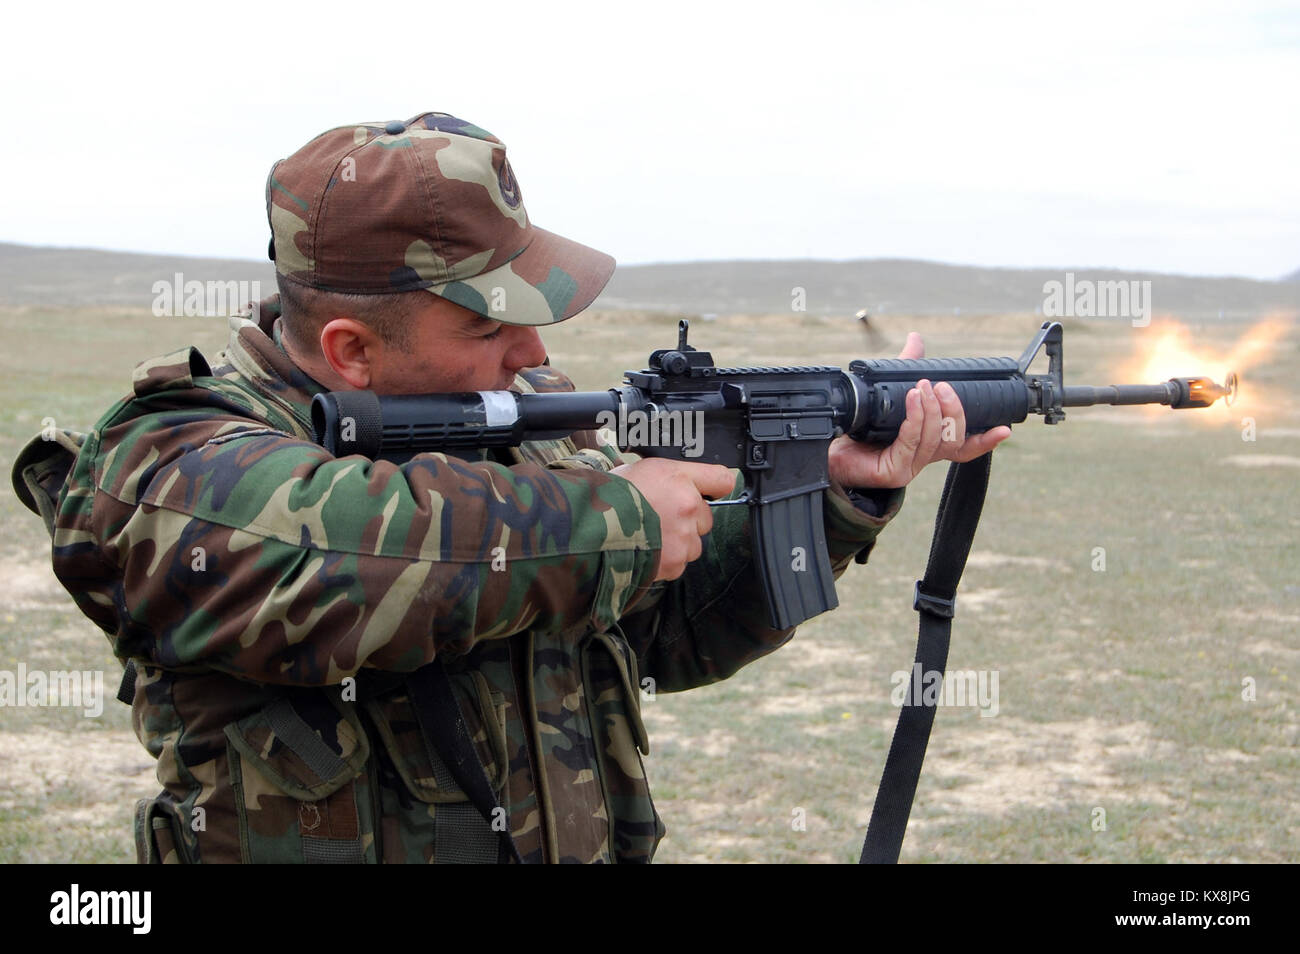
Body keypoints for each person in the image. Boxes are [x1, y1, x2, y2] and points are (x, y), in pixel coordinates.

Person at [11, 112, 1008, 863]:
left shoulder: (524, 432)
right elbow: (344, 550)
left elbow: (659, 636)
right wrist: (617, 520)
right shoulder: (170, 463)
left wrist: (832, 496)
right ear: (350, 350)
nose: (534, 353)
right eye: (490, 327)